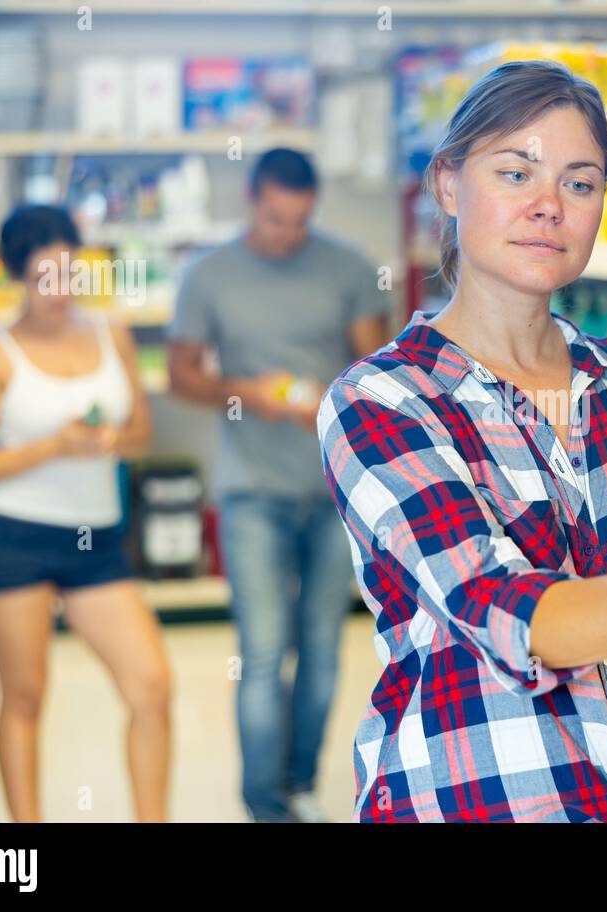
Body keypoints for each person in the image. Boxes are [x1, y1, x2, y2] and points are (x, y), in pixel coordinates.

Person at [319, 60, 607, 823]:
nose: (548, 206)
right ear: (448, 185)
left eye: (579, 183)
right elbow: (511, 616)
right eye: (516, 173)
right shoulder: (381, 400)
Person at [167, 148, 390, 823]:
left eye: (299, 221)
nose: (286, 234)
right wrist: (245, 393)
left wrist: (333, 396)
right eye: (273, 219)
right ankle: (264, 806)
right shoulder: (208, 275)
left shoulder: (349, 267)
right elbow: (182, 378)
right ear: (251, 201)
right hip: (251, 492)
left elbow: (373, 372)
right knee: (263, 655)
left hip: (333, 492)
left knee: (323, 650)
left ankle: (298, 785)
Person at [0, 204, 171, 823]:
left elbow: (141, 431)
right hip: (10, 539)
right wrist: (54, 446)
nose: (59, 290)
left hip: (96, 541)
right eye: (44, 276)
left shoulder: (112, 334)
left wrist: (110, 442)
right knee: (25, 696)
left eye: (69, 273)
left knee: (151, 685)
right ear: (16, 277)